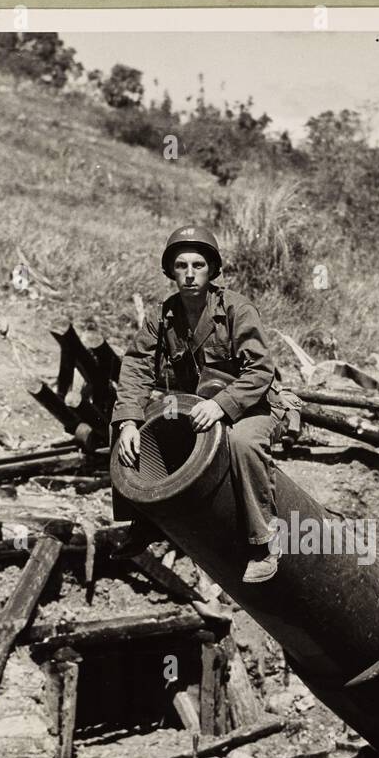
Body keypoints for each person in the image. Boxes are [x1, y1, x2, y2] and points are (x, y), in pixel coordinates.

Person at [112, 225, 296, 583]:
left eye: (198, 264)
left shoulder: (236, 309)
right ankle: (143, 521)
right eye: (181, 265)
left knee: (242, 443)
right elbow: (136, 366)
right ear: (171, 271)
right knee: (132, 432)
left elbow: (260, 370)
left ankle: (264, 543)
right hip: (199, 403)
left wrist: (222, 406)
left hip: (252, 402)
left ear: (212, 269)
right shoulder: (162, 317)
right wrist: (128, 422)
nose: (190, 273)